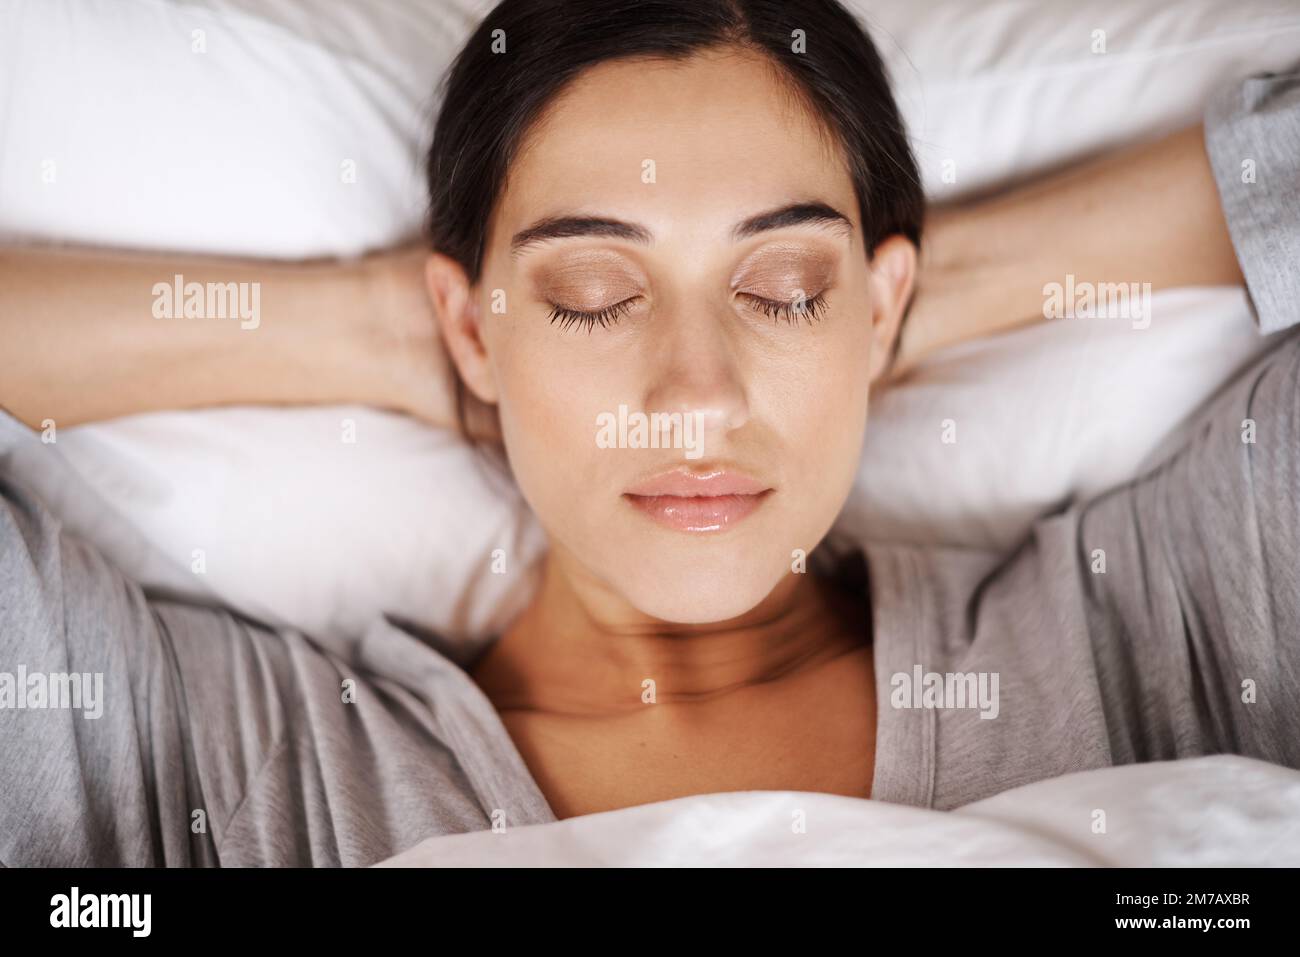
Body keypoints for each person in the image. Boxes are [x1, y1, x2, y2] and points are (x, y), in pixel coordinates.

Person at [0, 0, 1297, 866]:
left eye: (784, 288)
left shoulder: (1159, 622)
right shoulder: (251, 767)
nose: (694, 395)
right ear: (471, 327)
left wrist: (905, 309)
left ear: (882, 298)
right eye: (589, 297)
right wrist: (371, 329)